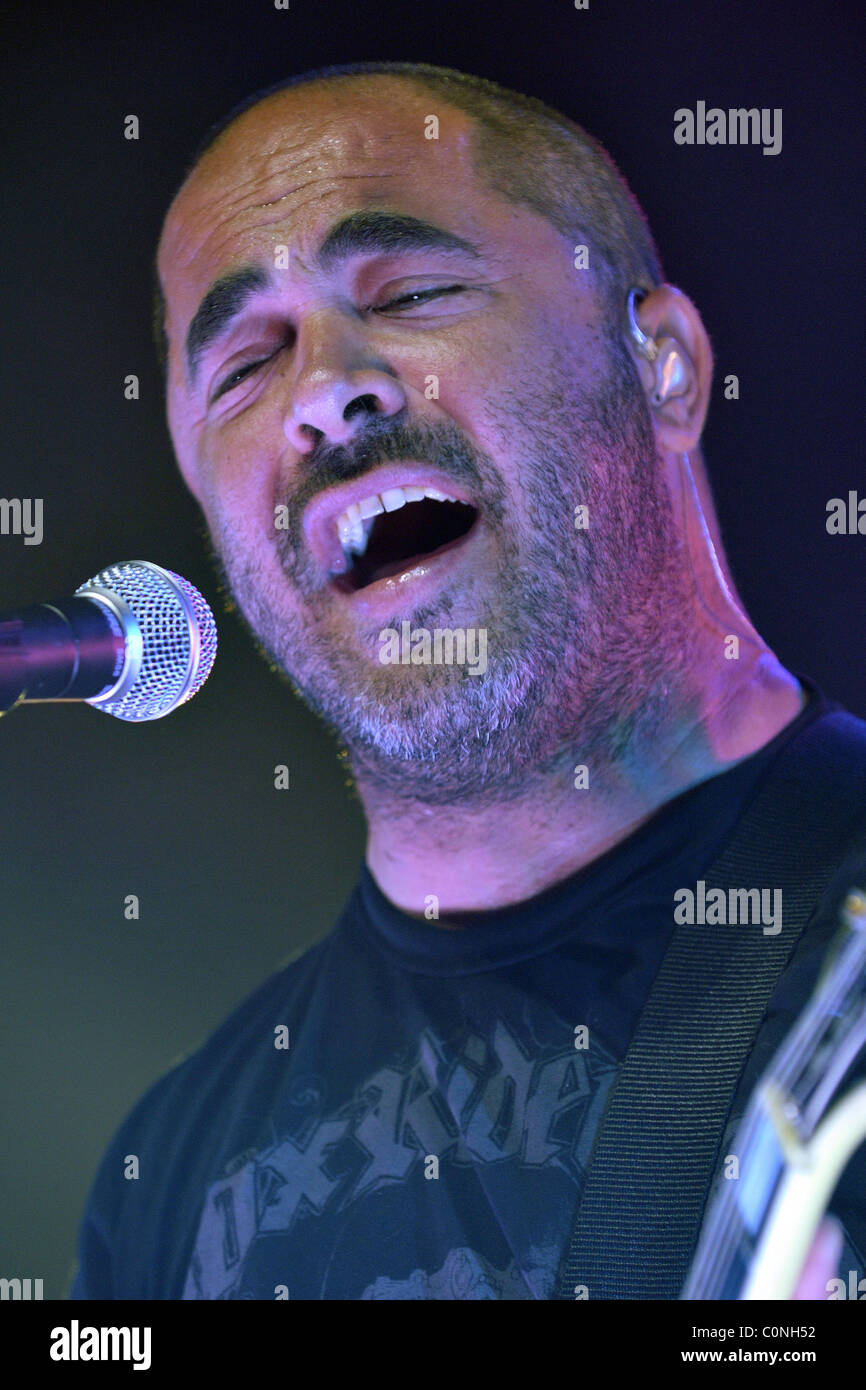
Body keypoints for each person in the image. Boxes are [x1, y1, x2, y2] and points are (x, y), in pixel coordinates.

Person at [70, 62, 866, 1300]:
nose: (326, 394)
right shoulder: (168, 1178)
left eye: (413, 292)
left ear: (661, 364)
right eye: (243, 366)